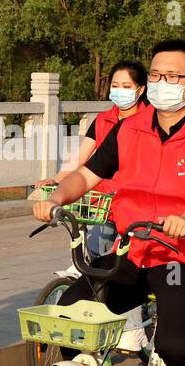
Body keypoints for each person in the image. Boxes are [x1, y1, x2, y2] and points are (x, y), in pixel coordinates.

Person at [35, 38, 185, 366]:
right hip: (132, 252)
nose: (163, 82)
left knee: (175, 343)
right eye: (158, 74)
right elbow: (87, 175)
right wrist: (55, 198)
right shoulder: (129, 128)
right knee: (69, 314)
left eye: (174, 76)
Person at [52, 60, 148, 257]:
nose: (120, 91)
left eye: (127, 86)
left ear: (140, 90)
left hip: (136, 203)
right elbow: (80, 156)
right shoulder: (103, 120)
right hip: (103, 202)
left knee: (131, 261)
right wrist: (57, 180)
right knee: (95, 255)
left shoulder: (152, 121)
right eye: (115, 86)